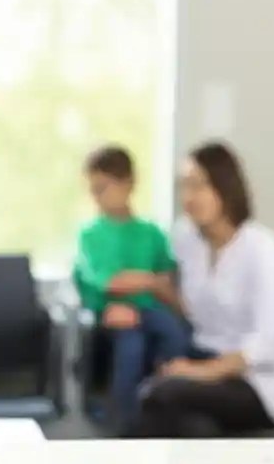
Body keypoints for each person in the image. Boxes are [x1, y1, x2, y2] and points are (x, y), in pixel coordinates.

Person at [129, 141, 274, 437]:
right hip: (203, 357)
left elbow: (268, 341)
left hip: (256, 382)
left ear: (225, 187)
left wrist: (200, 373)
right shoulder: (186, 240)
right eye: (184, 187)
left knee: (161, 395)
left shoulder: (262, 247)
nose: (188, 197)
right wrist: (151, 288)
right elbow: (191, 310)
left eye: (198, 186)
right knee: (171, 406)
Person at [73, 145, 190, 432]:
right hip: (112, 313)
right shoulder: (91, 235)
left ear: (128, 184)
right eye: (92, 190)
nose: (96, 197)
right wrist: (148, 281)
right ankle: (125, 423)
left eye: (102, 188)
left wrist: (144, 282)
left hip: (150, 309)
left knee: (175, 334)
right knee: (131, 347)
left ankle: (164, 405)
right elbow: (110, 283)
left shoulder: (151, 234)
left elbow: (167, 282)